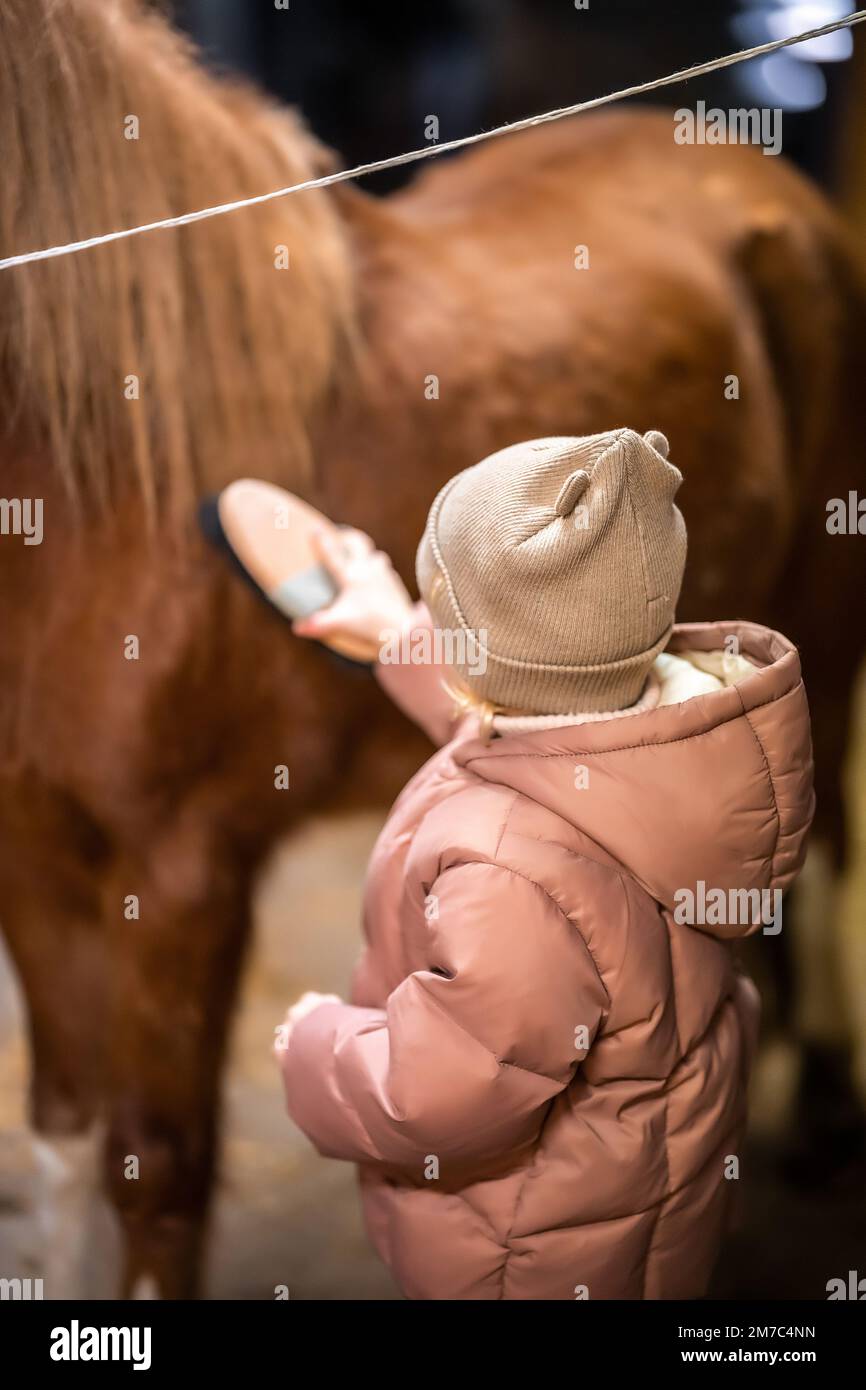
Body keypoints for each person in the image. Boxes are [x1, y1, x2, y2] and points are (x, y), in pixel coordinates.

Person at [273, 429, 814, 1300]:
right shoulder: (668, 741)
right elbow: (534, 734)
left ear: (477, 657)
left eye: (440, 608)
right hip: (639, 1202)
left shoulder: (511, 878)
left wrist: (313, 1043)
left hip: (527, 1254)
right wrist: (399, 634)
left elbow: (445, 1090)